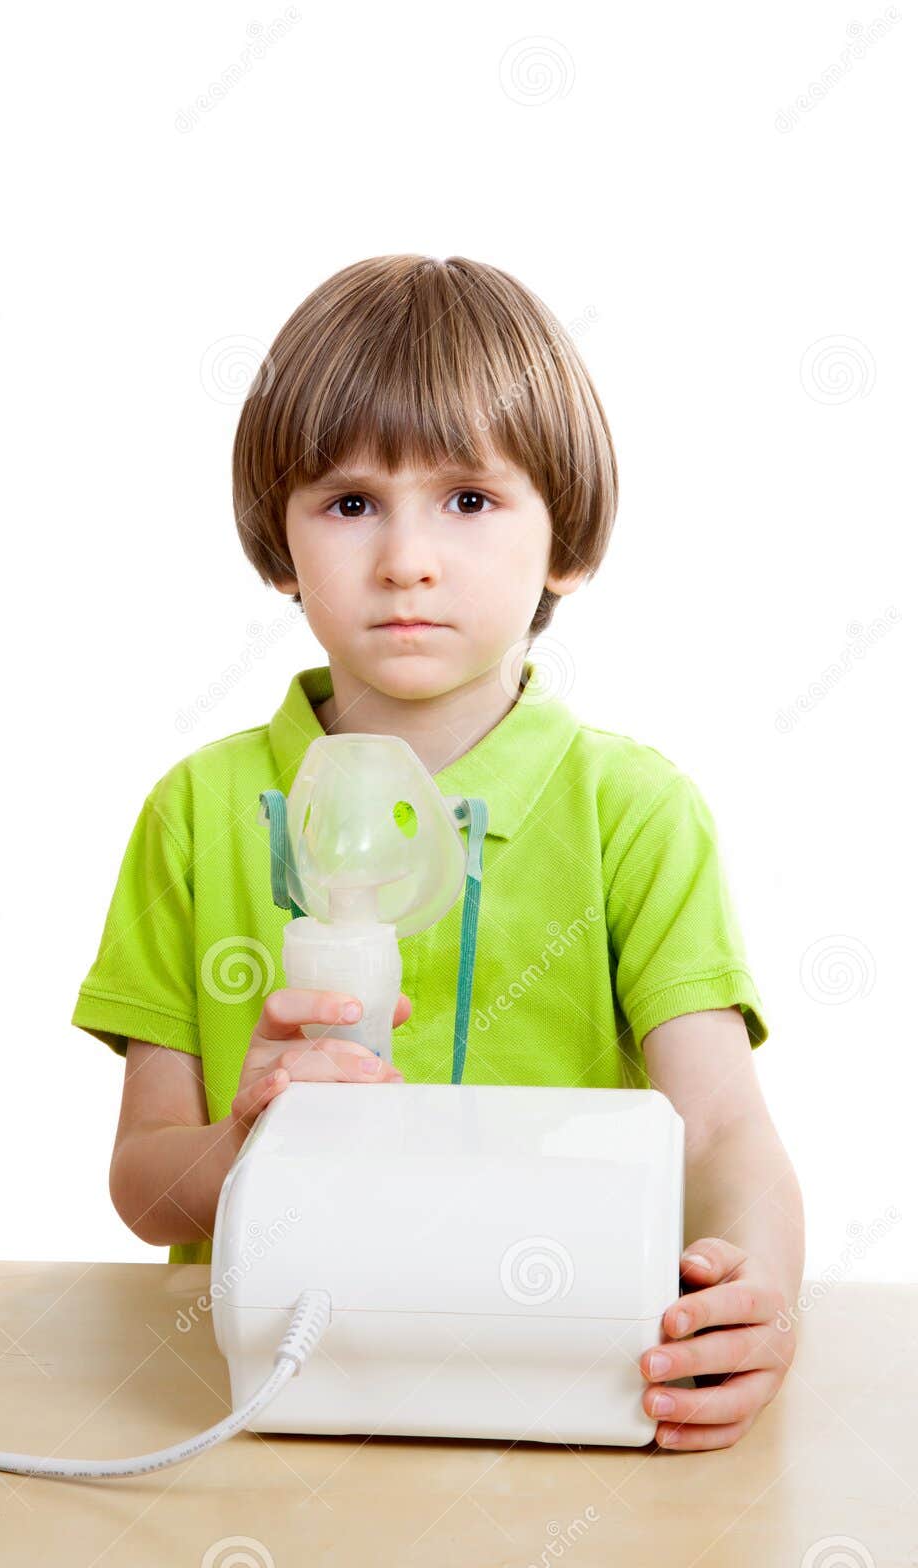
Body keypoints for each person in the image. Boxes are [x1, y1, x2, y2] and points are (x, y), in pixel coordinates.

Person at [72, 254, 803, 1452]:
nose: (407, 557)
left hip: (568, 1381)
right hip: (262, 1405)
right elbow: (145, 1182)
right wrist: (244, 1149)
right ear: (278, 543)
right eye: (350, 502)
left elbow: (720, 1131)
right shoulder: (196, 815)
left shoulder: (631, 812)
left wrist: (752, 1294)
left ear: (563, 540)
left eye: (468, 499)